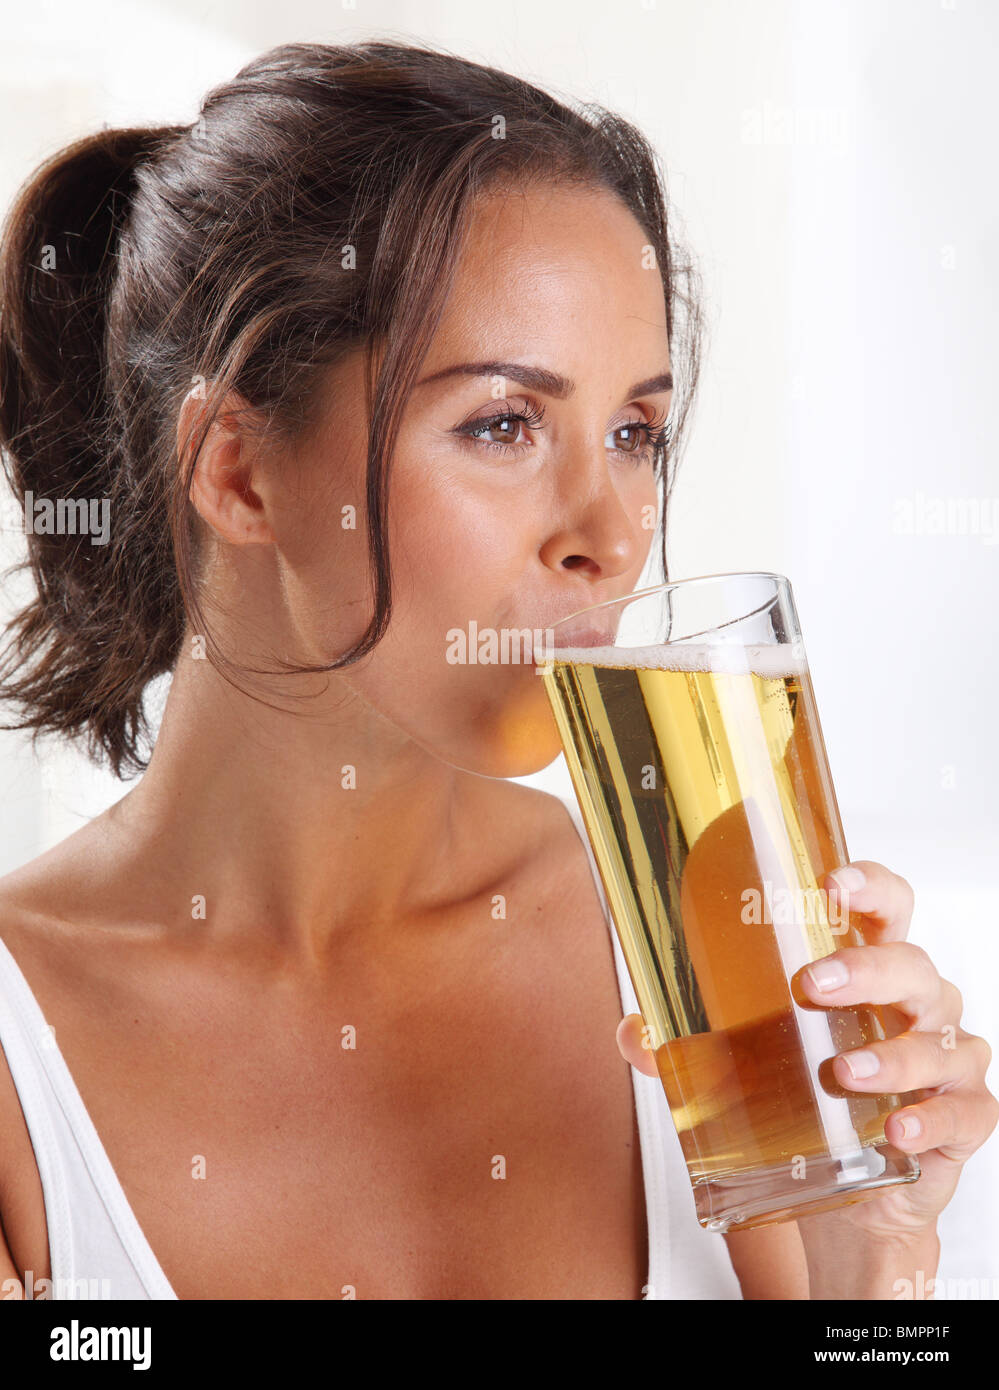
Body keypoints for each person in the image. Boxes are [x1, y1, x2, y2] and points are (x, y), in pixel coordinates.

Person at [0, 40, 994, 1302]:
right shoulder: (20, 1062)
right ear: (239, 468)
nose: (616, 530)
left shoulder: (708, 952)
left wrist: (881, 1264)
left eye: (636, 432)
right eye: (504, 425)